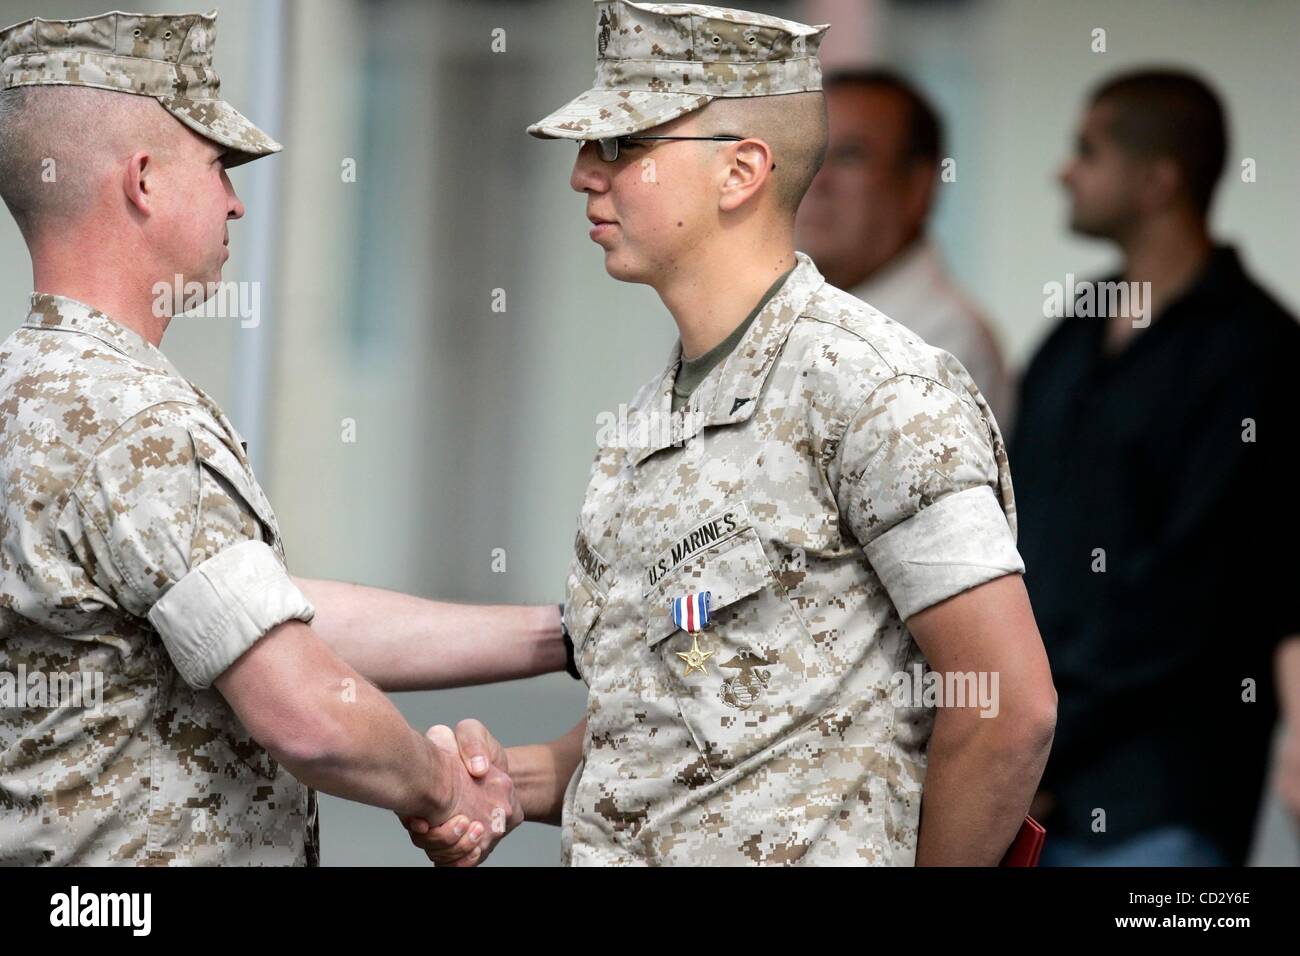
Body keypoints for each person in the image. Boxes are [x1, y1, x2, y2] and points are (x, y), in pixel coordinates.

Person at [412, 0, 1056, 867]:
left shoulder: (874, 389)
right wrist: (507, 785)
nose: (582, 175)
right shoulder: (653, 417)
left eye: (623, 146)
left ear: (741, 170)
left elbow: (1009, 709)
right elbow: (672, 724)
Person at [0, 9, 548, 866]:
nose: (237, 201)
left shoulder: (28, 389)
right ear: (143, 180)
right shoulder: (136, 424)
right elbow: (305, 709)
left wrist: (558, 636)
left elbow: (260, 616)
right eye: (217, 165)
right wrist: (443, 788)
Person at [1011, 69, 1300, 866]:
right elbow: (1009, 528)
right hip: (1034, 786)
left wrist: (1037, 745)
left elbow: (1192, 594)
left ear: (1157, 179)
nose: (1064, 172)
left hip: (1159, 799)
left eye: (1087, 150)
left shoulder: (1255, 351)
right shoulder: (1074, 334)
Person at [795, 69, 1012, 425]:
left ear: (917, 187)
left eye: (849, 156)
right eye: (806, 153)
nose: (816, 181)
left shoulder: (937, 347)